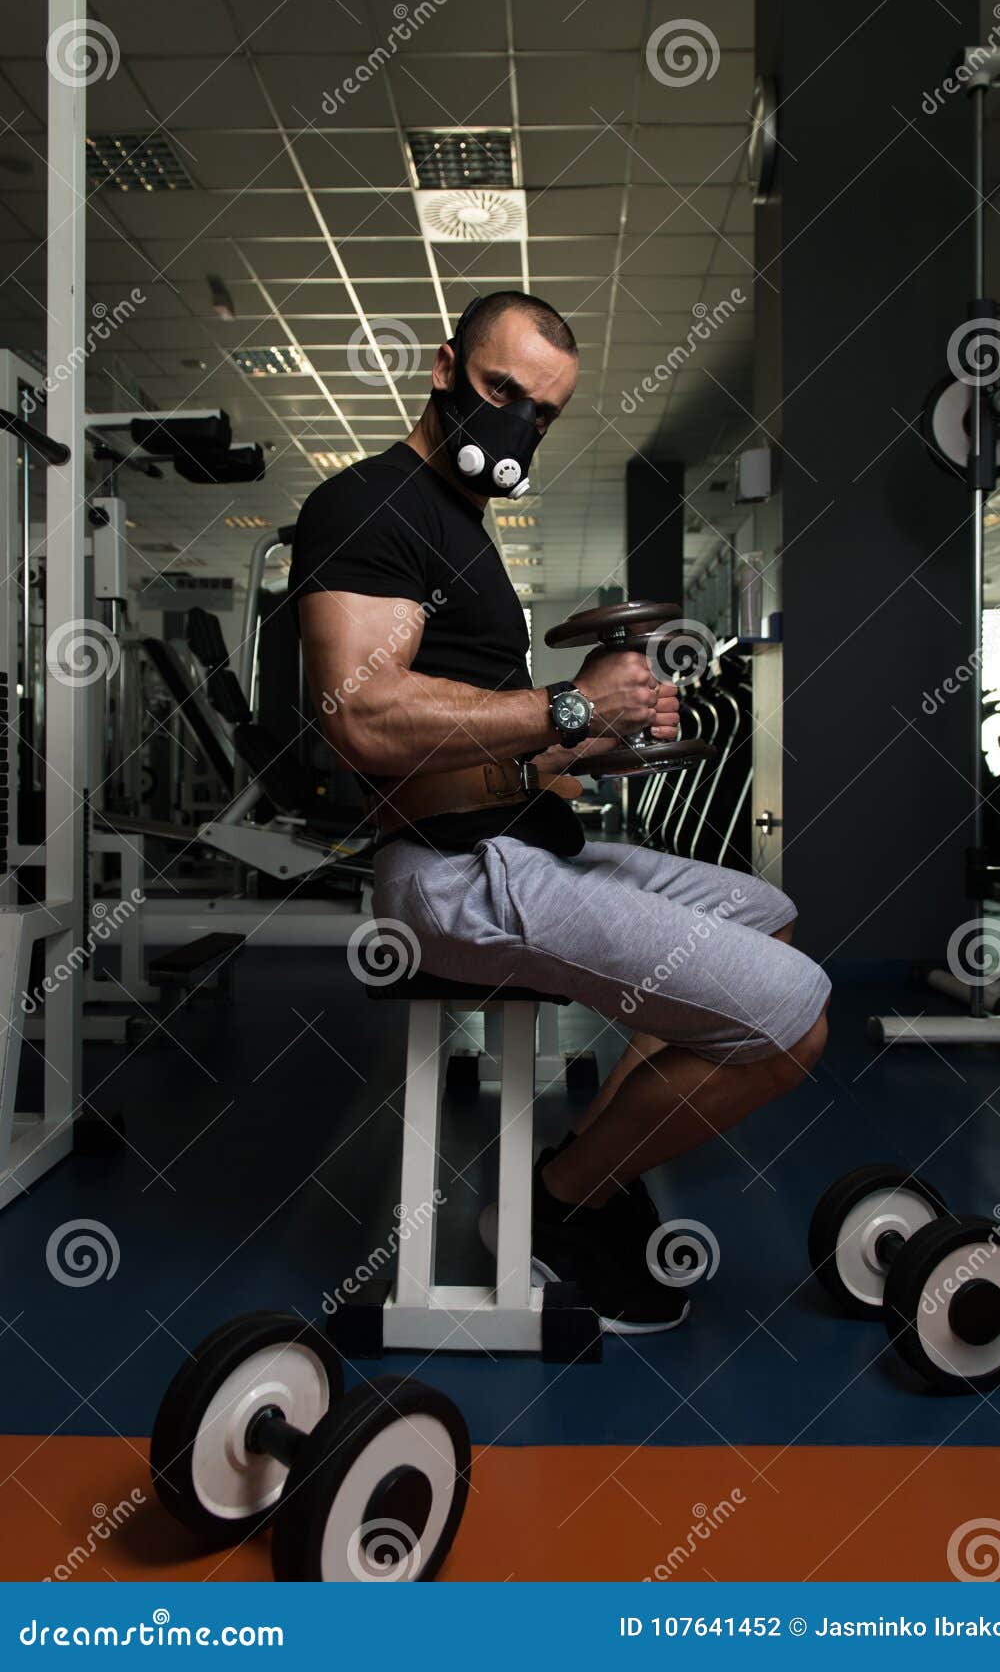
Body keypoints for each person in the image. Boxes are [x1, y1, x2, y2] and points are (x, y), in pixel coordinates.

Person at [290, 290, 830, 1333]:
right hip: (454, 873)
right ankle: (562, 1203)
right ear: (444, 368)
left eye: (540, 413)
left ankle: (602, 1155)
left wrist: (601, 733)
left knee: (769, 917)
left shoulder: (464, 531)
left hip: (523, 840)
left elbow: (494, 734)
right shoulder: (370, 506)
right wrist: (572, 700)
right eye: (500, 391)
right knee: (793, 1017)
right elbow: (360, 717)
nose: (515, 426)